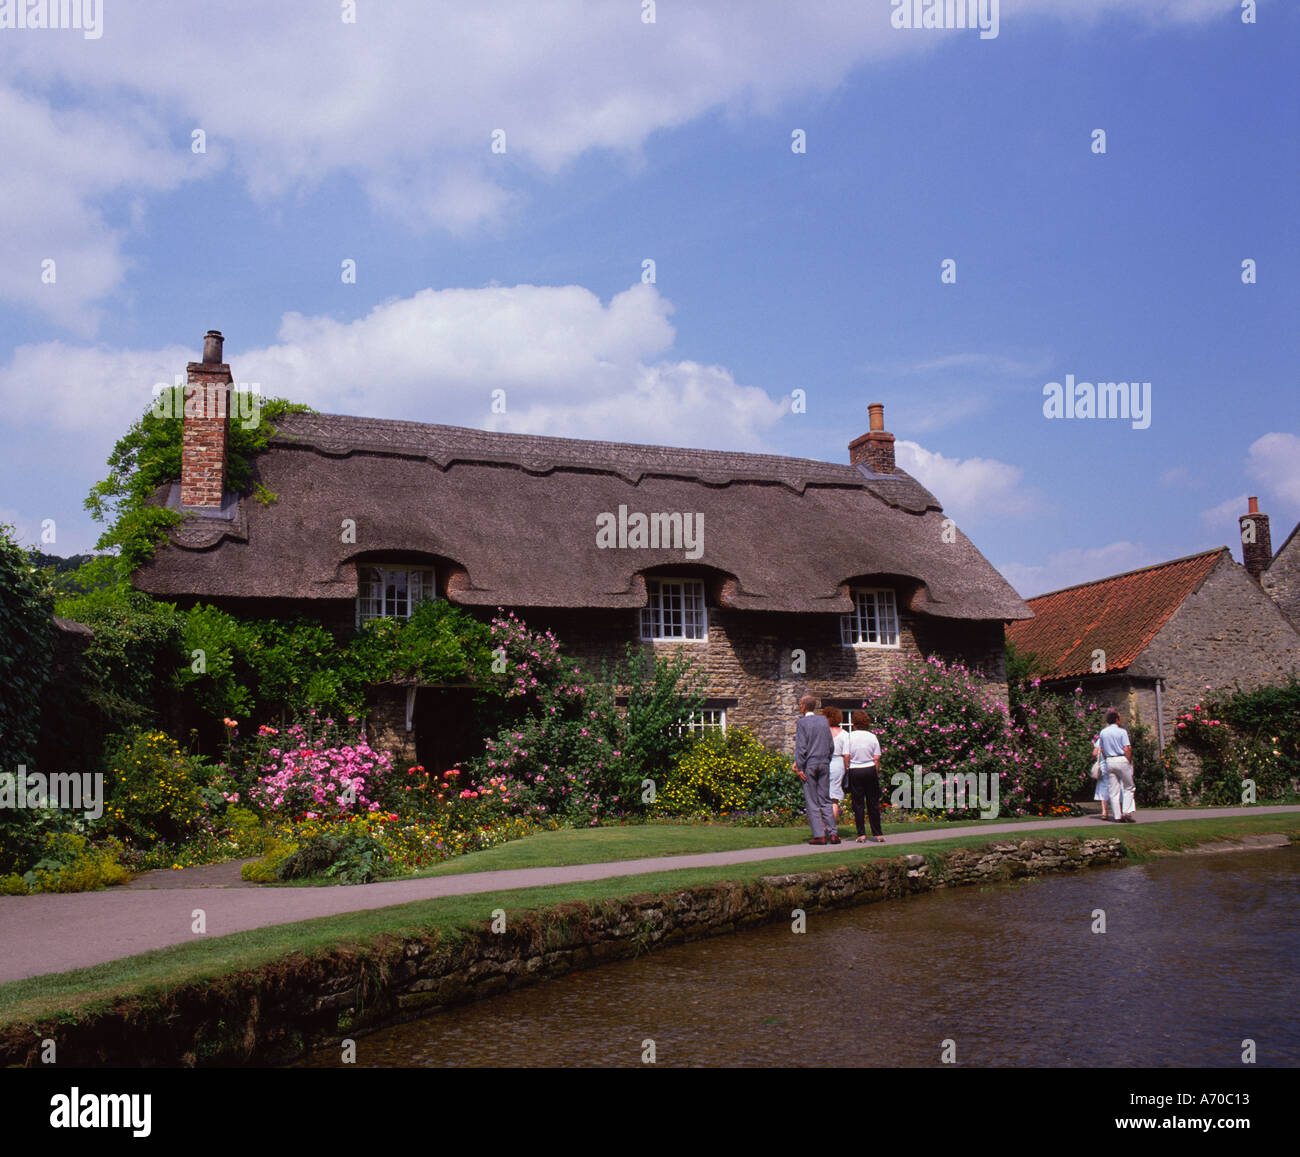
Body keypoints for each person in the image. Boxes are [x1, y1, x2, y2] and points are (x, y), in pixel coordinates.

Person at [794, 695, 839, 844]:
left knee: (812, 801)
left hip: (810, 765)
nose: (799, 707)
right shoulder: (823, 721)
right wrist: (827, 759)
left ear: (804, 706)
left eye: (800, 704)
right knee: (825, 799)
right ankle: (833, 834)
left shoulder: (802, 723)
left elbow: (801, 747)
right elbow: (830, 745)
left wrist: (800, 767)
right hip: (824, 763)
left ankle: (820, 835)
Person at [845, 710, 885, 844]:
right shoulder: (872, 737)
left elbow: (846, 756)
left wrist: (847, 769)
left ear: (854, 723)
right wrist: (876, 772)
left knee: (858, 804)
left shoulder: (849, 737)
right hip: (870, 769)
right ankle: (877, 833)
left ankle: (861, 834)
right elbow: (877, 758)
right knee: (873, 802)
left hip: (855, 770)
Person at [1098, 708, 1136, 823]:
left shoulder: (1103, 732)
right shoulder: (1122, 732)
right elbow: (1127, 748)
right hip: (1121, 759)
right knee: (1129, 787)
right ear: (1117, 720)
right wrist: (1129, 761)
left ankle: (1117, 816)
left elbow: (1102, 749)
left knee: (1113, 790)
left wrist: (1107, 760)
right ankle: (1126, 812)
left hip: (1110, 760)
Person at [822, 706, 849, 826]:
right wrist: (847, 768)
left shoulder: (821, 733)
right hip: (838, 763)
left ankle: (822, 829)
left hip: (822, 762)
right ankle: (831, 829)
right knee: (834, 799)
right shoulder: (844, 734)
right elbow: (846, 754)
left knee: (822, 797)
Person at [1090, 732, 1109, 820]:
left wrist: (1094, 758)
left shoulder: (1100, 740)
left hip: (1103, 767)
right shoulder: (1118, 736)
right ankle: (1119, 811)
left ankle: (1104, 812)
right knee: (1117, 788)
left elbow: (1094, 753)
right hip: (1114, 764)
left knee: (1103, 789)